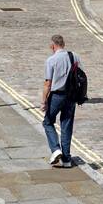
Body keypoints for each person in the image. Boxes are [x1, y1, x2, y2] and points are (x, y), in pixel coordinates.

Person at [41, 33, 80, 168]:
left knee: (47, 122)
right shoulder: (74, 56)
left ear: (53, 46)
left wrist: (44, 101)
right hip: (71, 96)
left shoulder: (51, 60)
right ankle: (67, 160)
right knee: (66, 126)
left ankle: (56, 149)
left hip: (57, 96)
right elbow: (79, 75)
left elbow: (48, 83)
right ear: (63, 44)